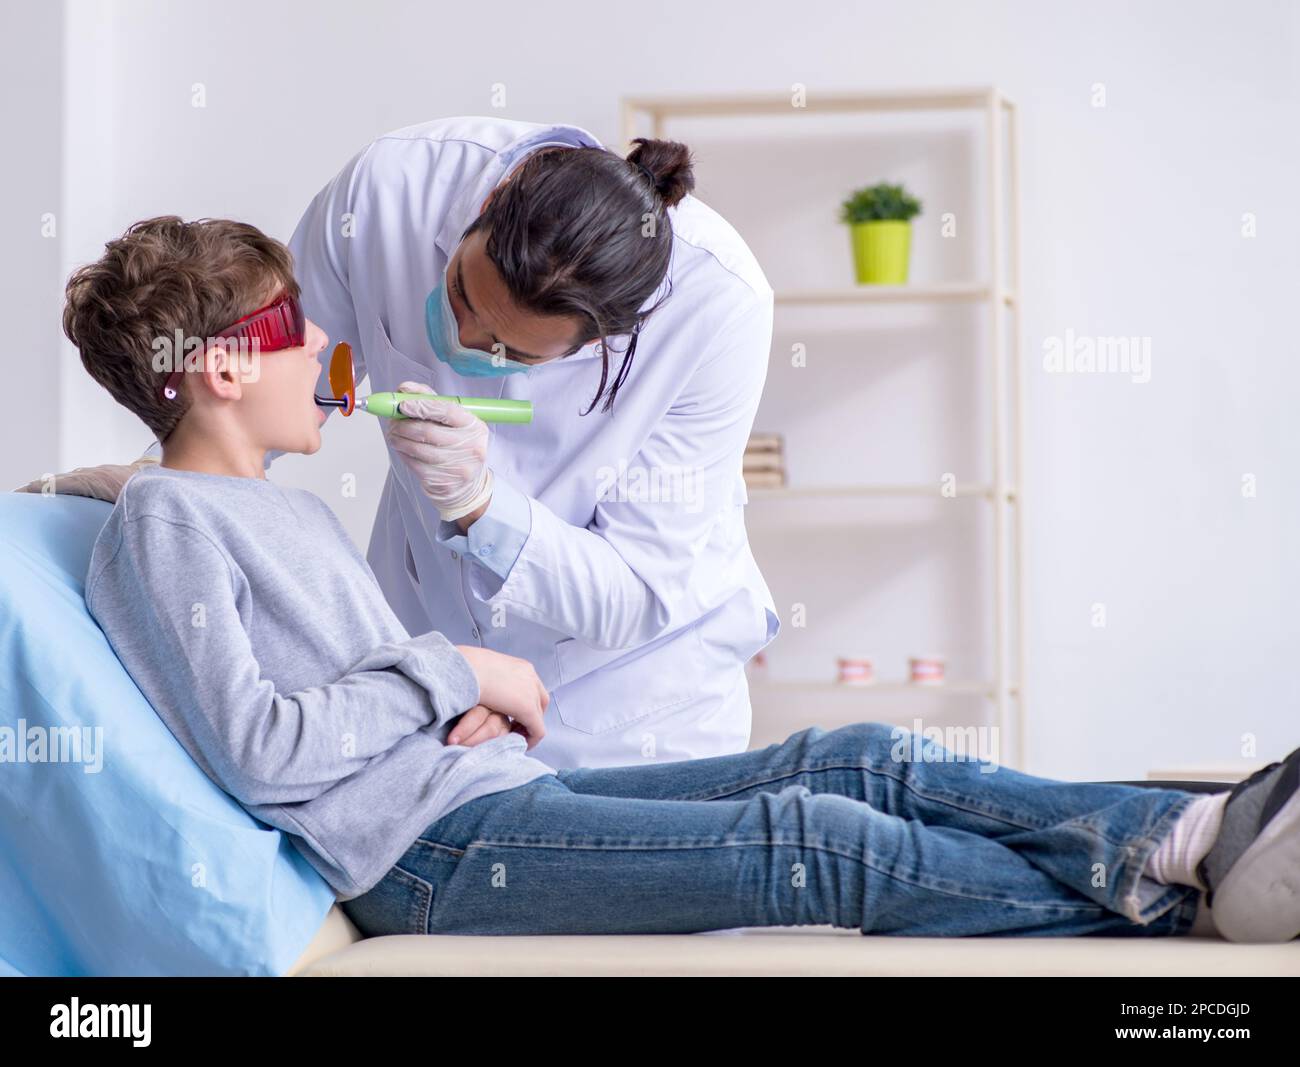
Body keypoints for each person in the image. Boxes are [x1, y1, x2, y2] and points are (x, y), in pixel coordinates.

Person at [65, 217, 1300, 942]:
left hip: (472, 783)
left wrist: (458, 701)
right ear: (222, 368)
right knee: (811, 840)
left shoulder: (265, 511)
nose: (329, 349)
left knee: (860, 754)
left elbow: (358, 696)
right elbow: (266, 748)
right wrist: (458, 668)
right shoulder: (167, 520)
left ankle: (1181, 831)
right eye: (294, 329)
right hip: (429, 856)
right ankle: (1173, 920)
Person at [22, 116, 780, 771]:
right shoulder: (387, 193)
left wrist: (483, 510)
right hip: (443, 724)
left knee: (776, 828)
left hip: (631, 707)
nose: (460, 342)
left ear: (607, 340)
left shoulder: (718, 307)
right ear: (483, 208)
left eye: (510, 353)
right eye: (458, 296)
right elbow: (242, 397)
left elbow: (637, 596)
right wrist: (158, 490)